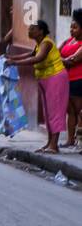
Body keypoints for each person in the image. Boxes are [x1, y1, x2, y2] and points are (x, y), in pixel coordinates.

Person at [7, 20, 69, 154]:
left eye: (33, 29)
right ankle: (49, 143)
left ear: (41, 31)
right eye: (29, 29)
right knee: (48, 113)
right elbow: (30, 55)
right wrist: (12, 58)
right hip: (46, 79)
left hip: (56, 77)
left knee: (55, 111)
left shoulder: (46, 43)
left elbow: (37, 58)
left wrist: (14, 62)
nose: (29, 31)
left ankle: (54, 145)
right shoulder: (39, 44)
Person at [59, 8, 82, 148]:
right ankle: (70, 139)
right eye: (71, 27)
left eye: (75, 27)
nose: (71, 30)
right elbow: (56, 51)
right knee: (70, 111)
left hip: (78, 80)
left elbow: (72, 60)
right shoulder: (69, 40)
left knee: (78, 111)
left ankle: (79, 140)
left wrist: (57, 59)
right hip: (66, 80)